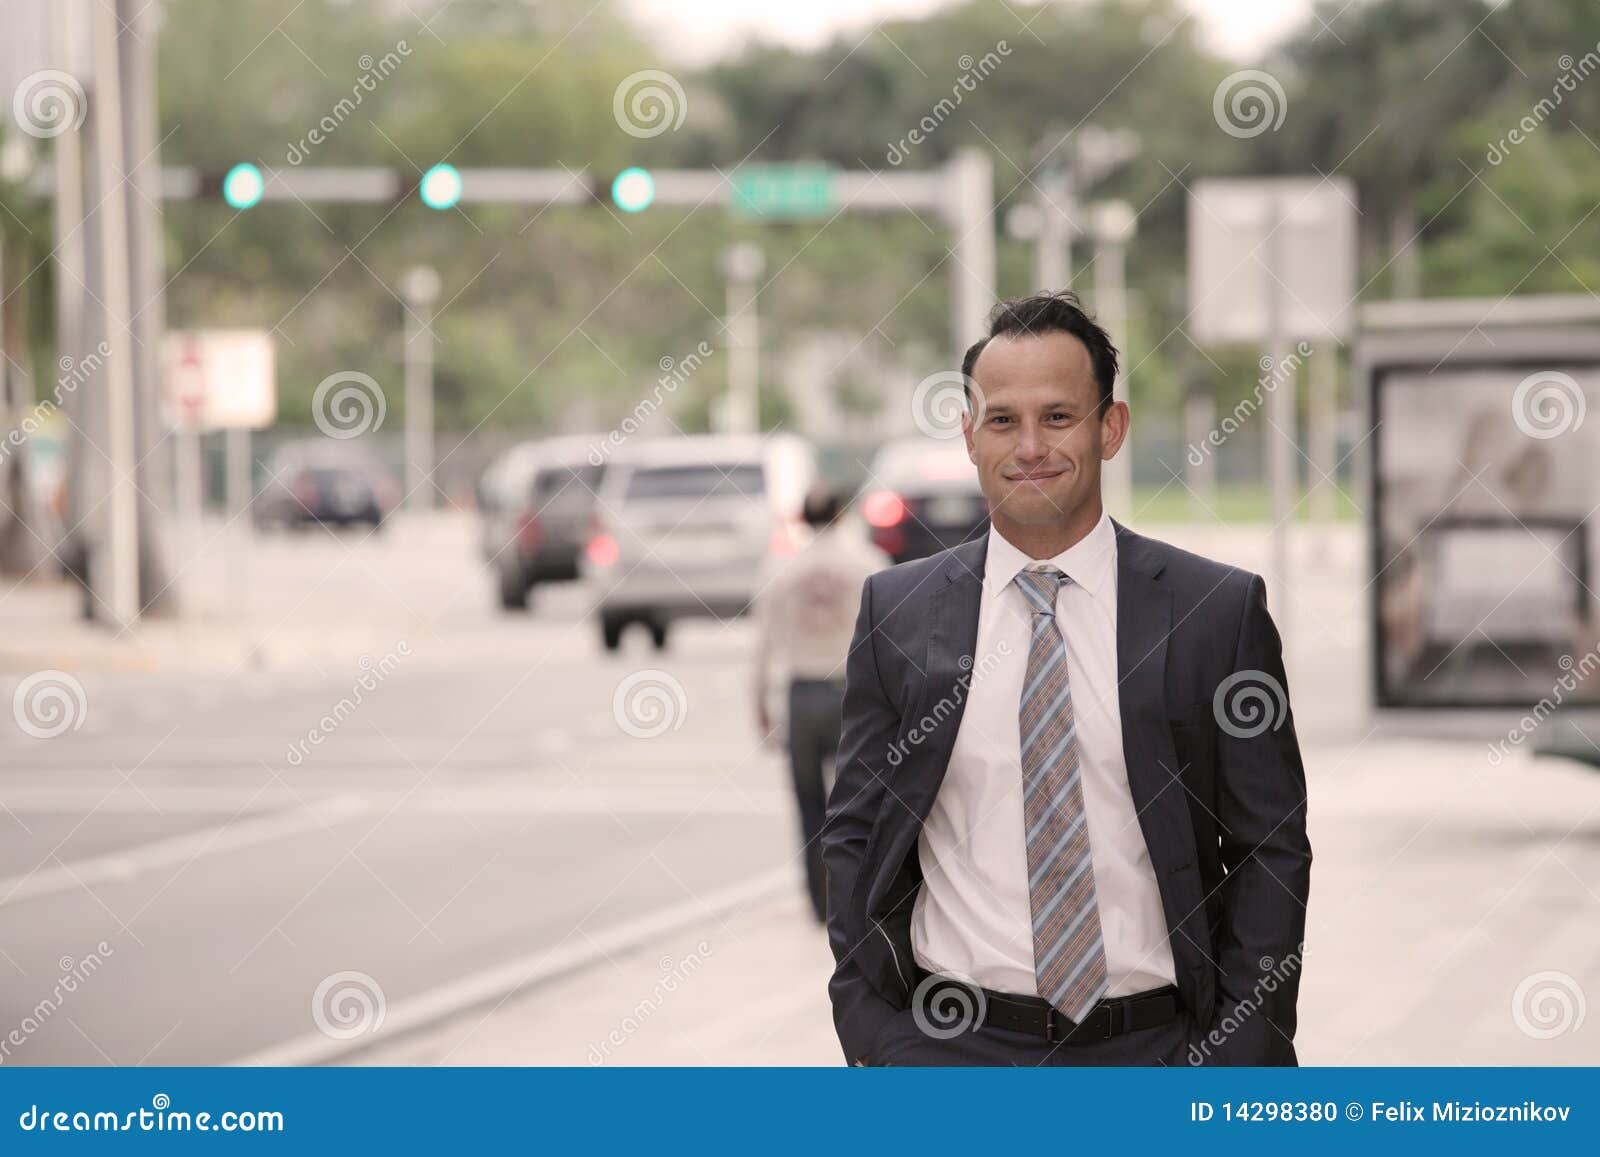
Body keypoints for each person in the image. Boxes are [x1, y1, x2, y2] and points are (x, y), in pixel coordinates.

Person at [822, 290, 1311, 1066]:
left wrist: (1241, 1050)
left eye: (1057, 416)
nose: (1029, 446)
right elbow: (855, 833)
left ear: (1109, 428)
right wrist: (878, 1038)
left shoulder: (1215, 611)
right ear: (969, 435)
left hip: (1157, 1053)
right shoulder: (898, 613)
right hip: (952, 1055)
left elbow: (1269, 848)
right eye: (1002, 420)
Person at [752, 484, 892, 924]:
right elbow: (889, 635)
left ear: (801, 518)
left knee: (809, 804)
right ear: (842, 514)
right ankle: (858, 899)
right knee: (861, 805)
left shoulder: (781, 567)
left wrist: (759, 701)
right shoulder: (868, 563)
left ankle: (819, 903)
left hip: (802, 692)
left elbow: (763, 644)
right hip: (853, 692)